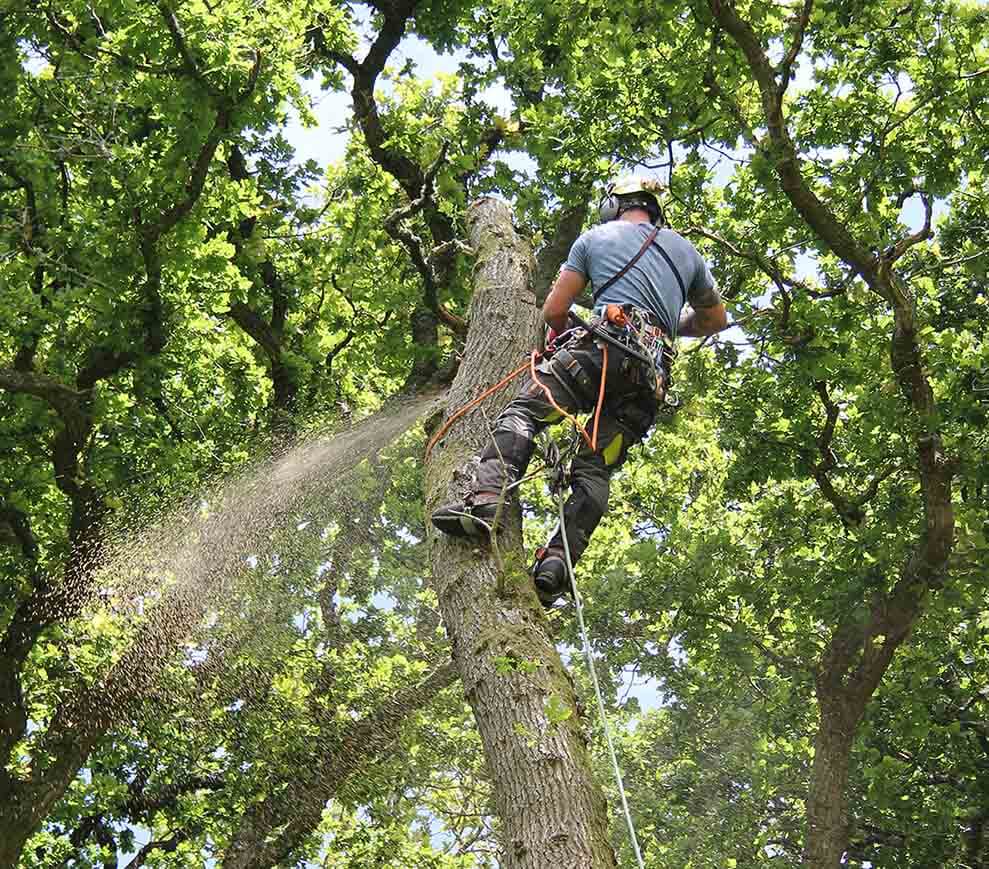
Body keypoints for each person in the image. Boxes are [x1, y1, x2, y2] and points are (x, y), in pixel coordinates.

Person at [431, 176, 728, 606]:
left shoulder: (595, 239)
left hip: (597, 353)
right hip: (649, 379)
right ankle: (556, 564)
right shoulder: (687, 253)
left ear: (615, 204)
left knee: (524, 413)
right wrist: (668, 326)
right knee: (594, 469)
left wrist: (568, 333)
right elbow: (714, 320)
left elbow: (554, 310)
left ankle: (485, 502)